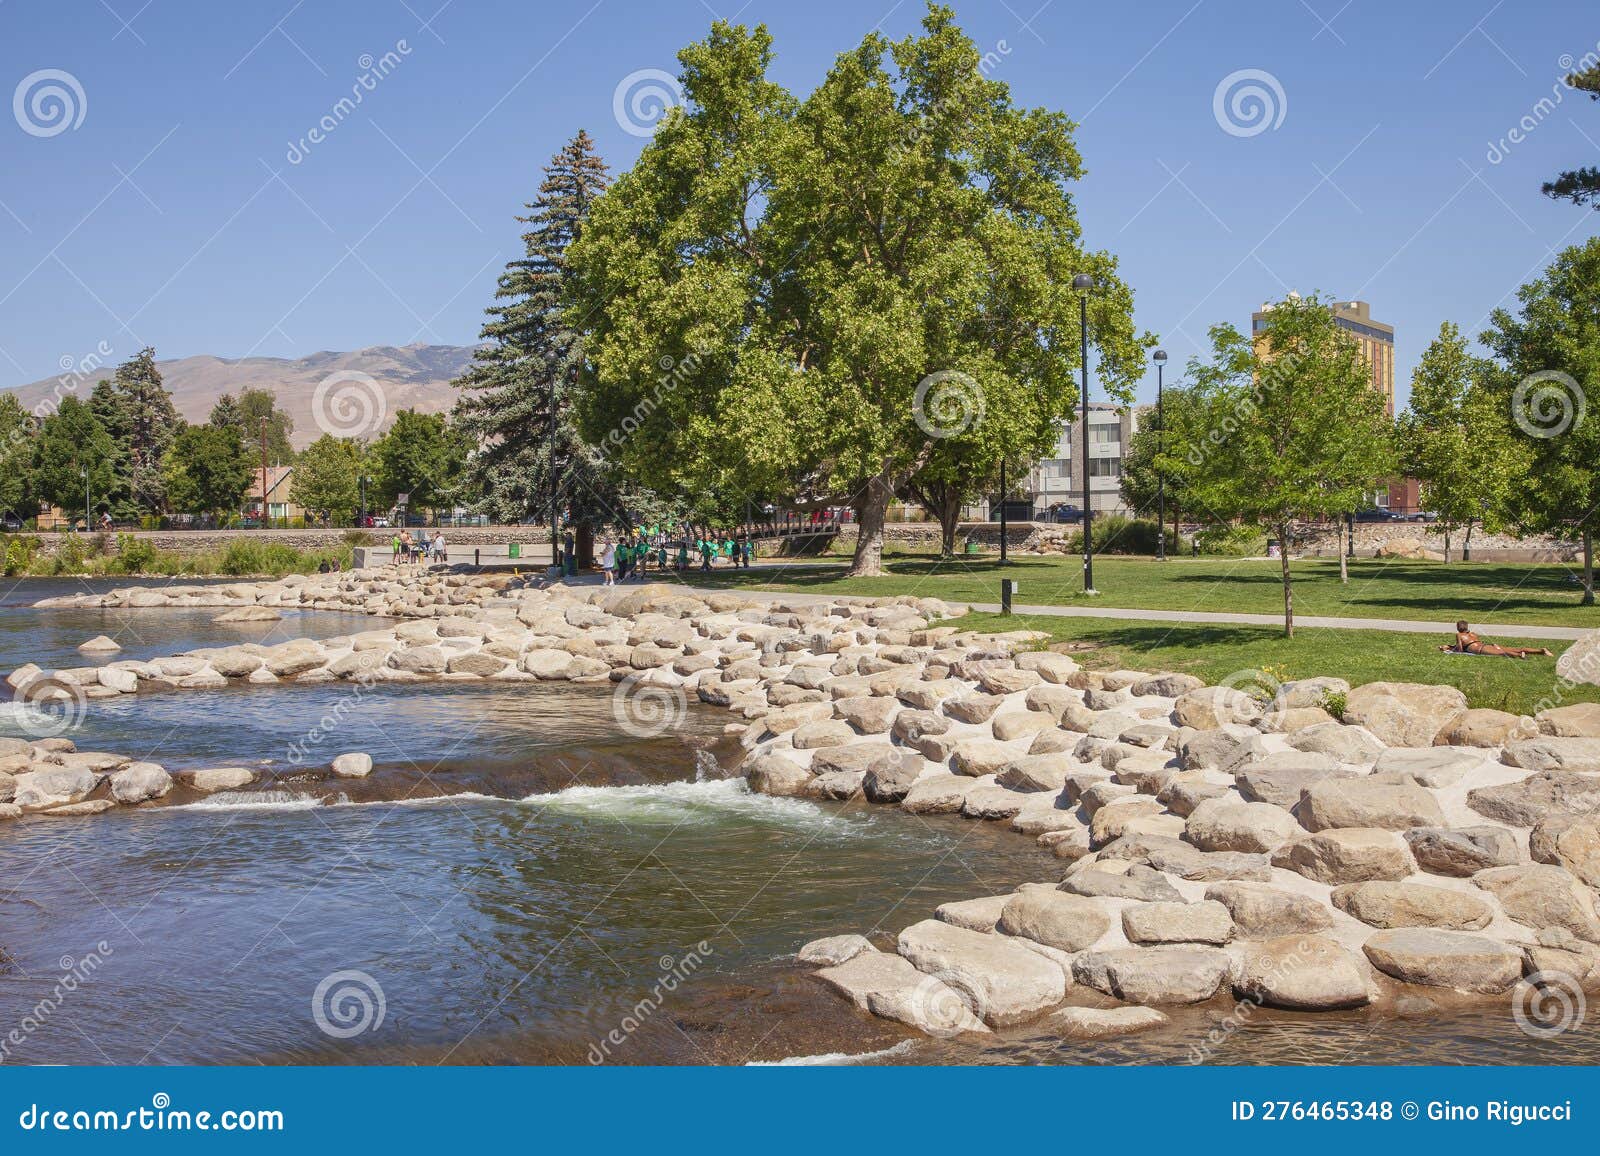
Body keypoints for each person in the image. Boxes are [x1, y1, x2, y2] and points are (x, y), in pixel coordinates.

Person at [1441, 621, 1553, 660]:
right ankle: (1541, 651)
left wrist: (1450, 649)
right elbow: (1468, 644)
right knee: (1513, 648)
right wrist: (1449, 646)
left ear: (1458, 628)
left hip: (1480, 649)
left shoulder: (1459, 635)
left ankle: (1520, 655)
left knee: (1502, 653)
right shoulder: (1473, 633)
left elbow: (1460, 649)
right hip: (1485, 645)